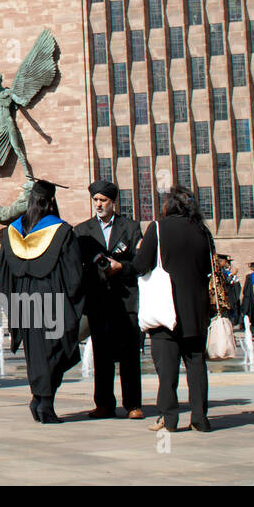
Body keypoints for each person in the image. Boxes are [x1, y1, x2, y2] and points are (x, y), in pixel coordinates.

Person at [0, 179, 84, 424]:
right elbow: (74, 275)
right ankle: (44, 402)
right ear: (51, 202)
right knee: (54, 351)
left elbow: (5, 275)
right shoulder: (62, 231)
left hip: (23, 299)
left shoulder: (12, 232)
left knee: (35, 353)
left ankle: (40, 398)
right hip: (52, 298)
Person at [132, 185, 213, 433]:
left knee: (167, 369)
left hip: (166, 310)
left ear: (169, 206)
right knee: (197, 366)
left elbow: (140, 265)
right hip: (196, 312)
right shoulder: (203, 231)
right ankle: (200, 418)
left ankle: (169, 419)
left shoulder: (158, 228)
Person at [73, 180, 145, 420]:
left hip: (126, 301)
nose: (99, 205)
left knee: (129, 354)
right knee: (102, 355)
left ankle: (133, 404)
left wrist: (120, 267)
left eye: (103, 200)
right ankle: (104, 404)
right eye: (95, 200)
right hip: (98, 301)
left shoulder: (131, 227)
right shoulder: (82, 231)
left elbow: (140, 263)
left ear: (113, 202)